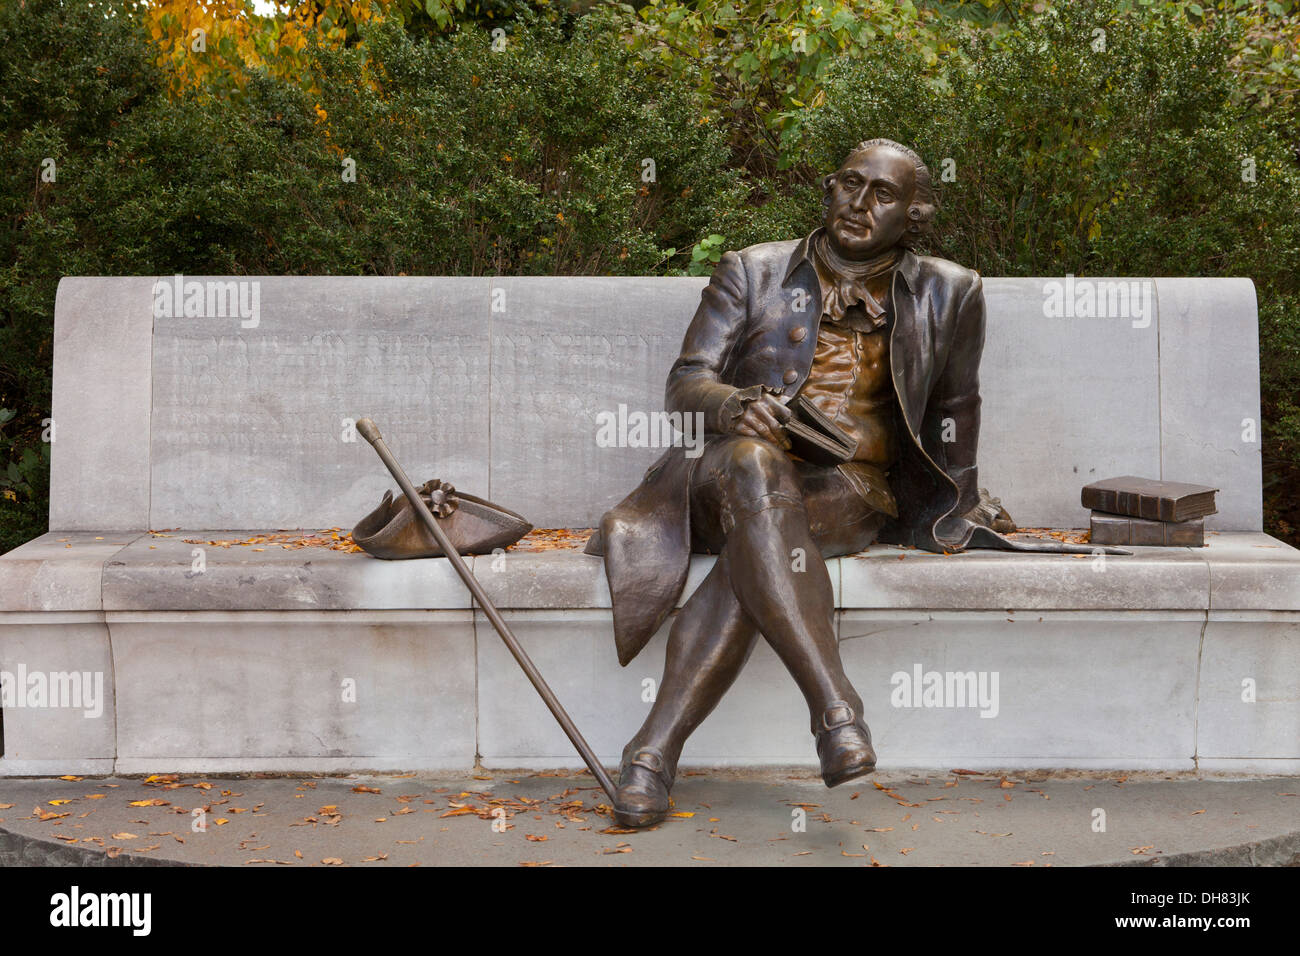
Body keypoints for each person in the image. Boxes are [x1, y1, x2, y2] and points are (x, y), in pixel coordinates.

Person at [584, 138, 990, 827]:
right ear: (830, 190)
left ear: (913, 214)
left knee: (761, 550)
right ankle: (836, 709)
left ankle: (651, 753)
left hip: (849, 494)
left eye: (882, 194)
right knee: (753, 466)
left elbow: (954, 409)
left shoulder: (953, 292)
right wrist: (733, 405)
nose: (858, 204)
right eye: (848, 184)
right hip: (723, 478)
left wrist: (962, 502)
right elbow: (686, 384)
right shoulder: (753, 270)